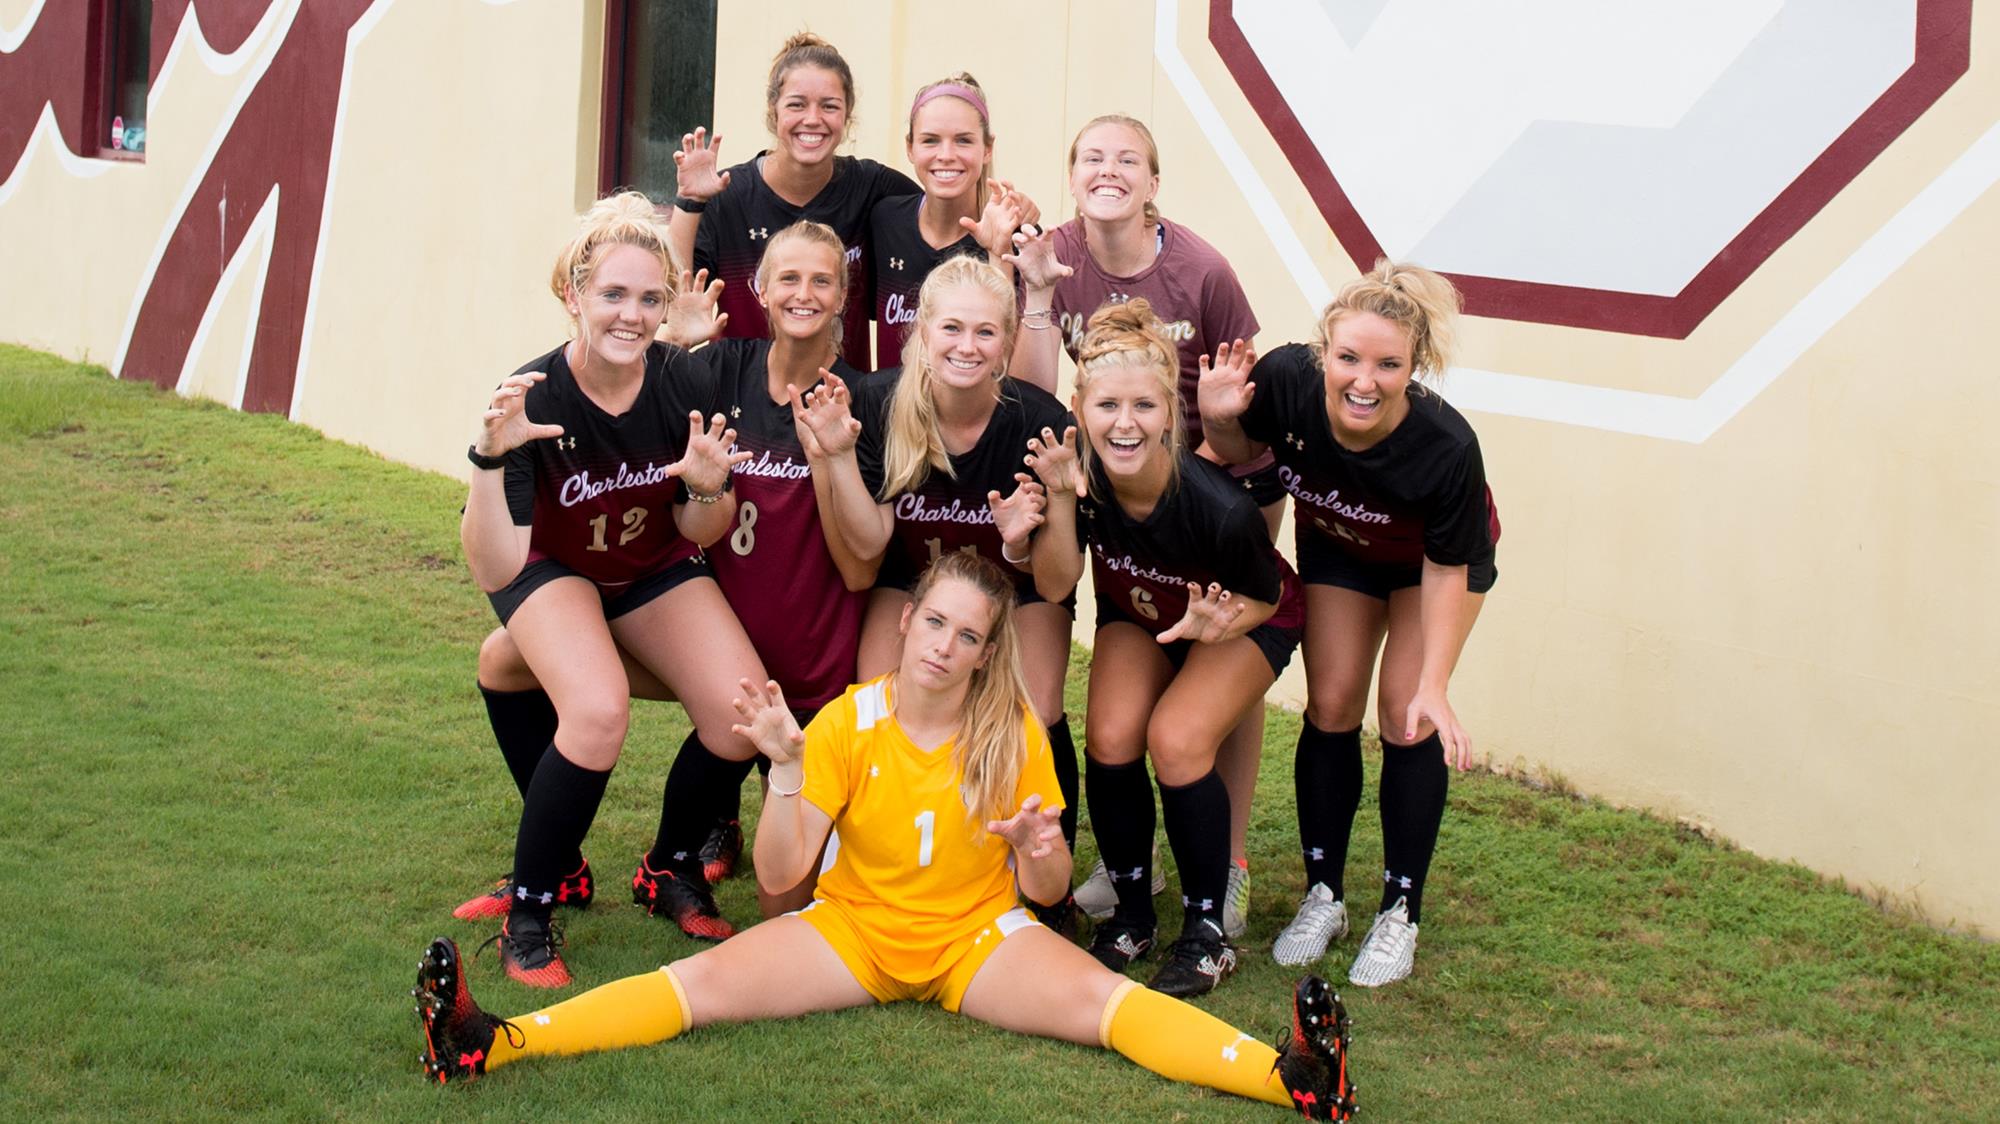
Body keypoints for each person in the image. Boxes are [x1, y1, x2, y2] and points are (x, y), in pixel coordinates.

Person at [412, 552, 1357, 1122]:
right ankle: (491, 1041)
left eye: (968, 634)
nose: (944, 644)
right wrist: (783, 766)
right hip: (852, 933)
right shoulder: (846, 723)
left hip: (977, 942)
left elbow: (1047, 888)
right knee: (689, 992)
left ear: (989, 652)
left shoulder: (1012, 732)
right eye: (933, 623)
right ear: (907, 625)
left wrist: (1037, 847)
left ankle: (1298, 1079)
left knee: (1110, 1008)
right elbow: (781, 882)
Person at [456, 192, 766, 985]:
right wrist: (490, 461)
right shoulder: (533, 396)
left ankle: (667, 867)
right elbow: (494, 565)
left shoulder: (680, 379)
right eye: (613, 295)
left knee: (741, 717)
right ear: (574, 297)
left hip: (650, 565)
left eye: (650, 298)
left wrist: (704, 489)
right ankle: (539, 898)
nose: (632, 315)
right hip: (549, 569)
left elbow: (703, 528)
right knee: (596, 711)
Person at [1198, 260, 1499, 988]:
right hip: (1340, 549)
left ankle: (1401, 910)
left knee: (1405, 714)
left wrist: (1435, 683)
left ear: (1415, 366)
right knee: (1331, 704)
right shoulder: (1287, 383)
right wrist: (1215, 414)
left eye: (1389, 365)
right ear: (1322, 352)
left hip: (1432, 567)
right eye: (1350, 359)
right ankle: (1323, 894)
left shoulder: (1446, 446)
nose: (1365, 380)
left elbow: (1446, 569)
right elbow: (1240, 452)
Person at [1008, 114, 1274, 938]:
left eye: (1128, 160)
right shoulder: (1052, 257)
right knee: (1122, 714)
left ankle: (1225, 866)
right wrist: (1039, 291)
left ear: (1155, 181)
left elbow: (1239, 406)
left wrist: (1217, 456)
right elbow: (1033, 395)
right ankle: (1133, 867)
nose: (1108, 170)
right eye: (1091, 157)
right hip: (1115, 491)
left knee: (1208, 691)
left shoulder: (1203, 272)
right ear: (1071, 173)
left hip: (1216, 485)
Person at [1023, 302, 1304, 997]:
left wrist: (1220, 628)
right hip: (1141, 610)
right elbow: (1056, 580)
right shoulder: (1079, 474)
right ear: (1079, 407)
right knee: (1113, 736)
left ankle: (1206, 932)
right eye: (1108, 405)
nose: (1126, 423)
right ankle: (1133, 909)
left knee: (1176, 740)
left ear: (1171, 412)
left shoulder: (1220, 508)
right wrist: (1059, 497)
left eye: (1144, 405)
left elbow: (1266, 595)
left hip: (1242, 614)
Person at [793, 254, 1079, 925]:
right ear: (922, 331)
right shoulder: (879, 403)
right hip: (913, 585)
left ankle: (1046, 873)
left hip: (1013, 591)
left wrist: (1040, 521)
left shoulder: (1036, 419)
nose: (966, 347)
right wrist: (835, 458)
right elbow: (867, 547)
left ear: (1008, 344)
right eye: (951, 328)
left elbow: (1057, 580)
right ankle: (872, 858)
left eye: (985, 333)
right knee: (882, 702)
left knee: (1032, 709)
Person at [668, 32, 919, 370]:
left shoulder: (875, 189)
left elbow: (944, 226)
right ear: (774, 111)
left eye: (829, 106)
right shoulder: (726, 194)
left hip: (843, 404)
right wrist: (690, 202)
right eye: (797, 104)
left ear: (847, 116)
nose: (813, 119)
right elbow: (676, 290)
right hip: (739, 405)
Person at [868, 72, 1038, 363]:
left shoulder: (1017, 238)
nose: (946, 155)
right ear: (910, 147)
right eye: (930, 140)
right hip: (888, 407)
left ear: (988, 148)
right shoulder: (885, 219)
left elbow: (1010, 364)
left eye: (963, 141)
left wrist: (1000, 252)